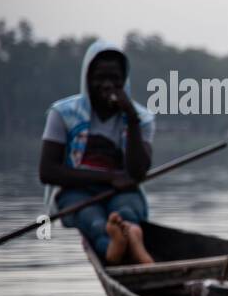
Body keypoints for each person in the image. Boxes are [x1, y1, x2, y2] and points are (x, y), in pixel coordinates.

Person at [39, 40, 156, 265]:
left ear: (124, 80)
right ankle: (117, 246)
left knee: (127, 213)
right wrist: (109, 178)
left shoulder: (142, 118)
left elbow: (138, 171)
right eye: (100, 78)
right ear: (87, 79)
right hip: (76, 191)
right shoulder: (63, 113)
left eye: (115, 79)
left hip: (121, 192)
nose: (107, 85)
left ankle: (130, 241)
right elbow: (47, 172)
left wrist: (131, 118)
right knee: (92, 221)